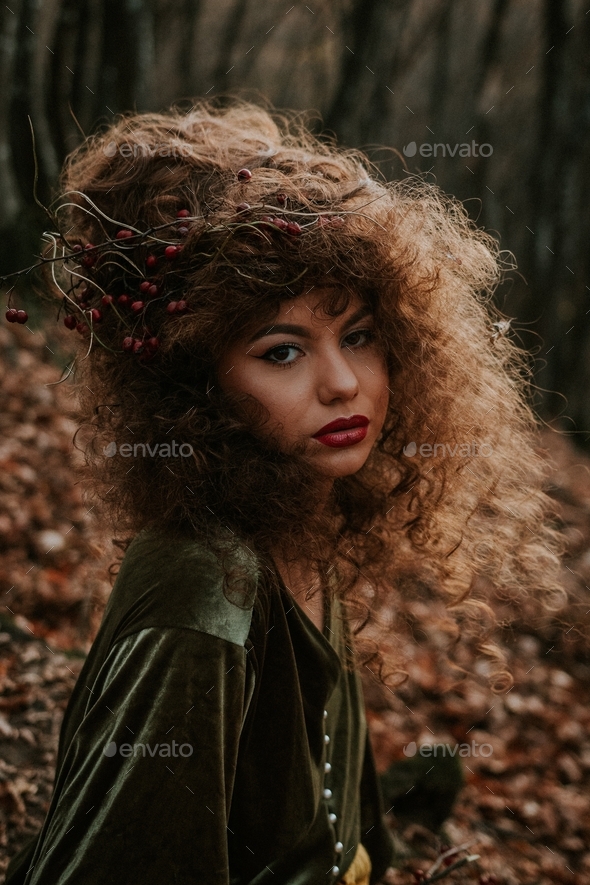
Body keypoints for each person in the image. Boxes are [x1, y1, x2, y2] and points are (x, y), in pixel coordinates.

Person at [4, 97, 564, 885]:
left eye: (359, 336)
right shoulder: (206, 585)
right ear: (195, 386)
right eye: (282, 352)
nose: (344, 384)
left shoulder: (292, 520)